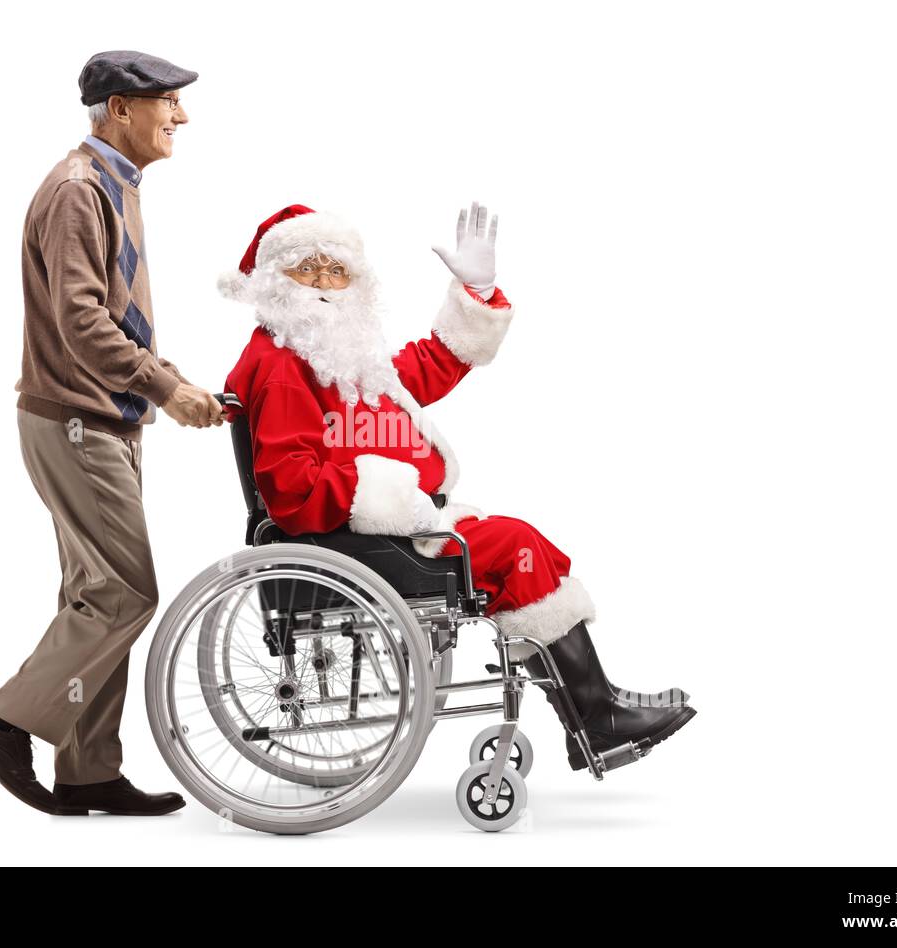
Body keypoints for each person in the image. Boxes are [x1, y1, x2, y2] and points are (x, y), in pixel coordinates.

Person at [221, 203, 695, 771]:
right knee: (515, 545)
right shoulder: (279, 366)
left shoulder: (330, 357)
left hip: (385, 531)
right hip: (349, 541)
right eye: (308, 269)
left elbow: (416, 374)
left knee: (523, 546)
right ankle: (596, 716)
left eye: (336, 270)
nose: (325, 284)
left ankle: (595, 712)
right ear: (276, 281)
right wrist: (396, 501)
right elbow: (291, 487)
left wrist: (477, 292)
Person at [0, 51, 226, 815]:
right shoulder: (79, 191)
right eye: (168, 102)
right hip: (76, 423)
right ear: (119, 110)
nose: (182, 118)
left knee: (94, 593)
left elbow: (111, 312)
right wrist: (167, 389)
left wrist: (173, 383)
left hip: (102, 419)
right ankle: (3, 720)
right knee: (126, 591)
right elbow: (82, 323)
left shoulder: (113, 184)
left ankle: (88, 772)